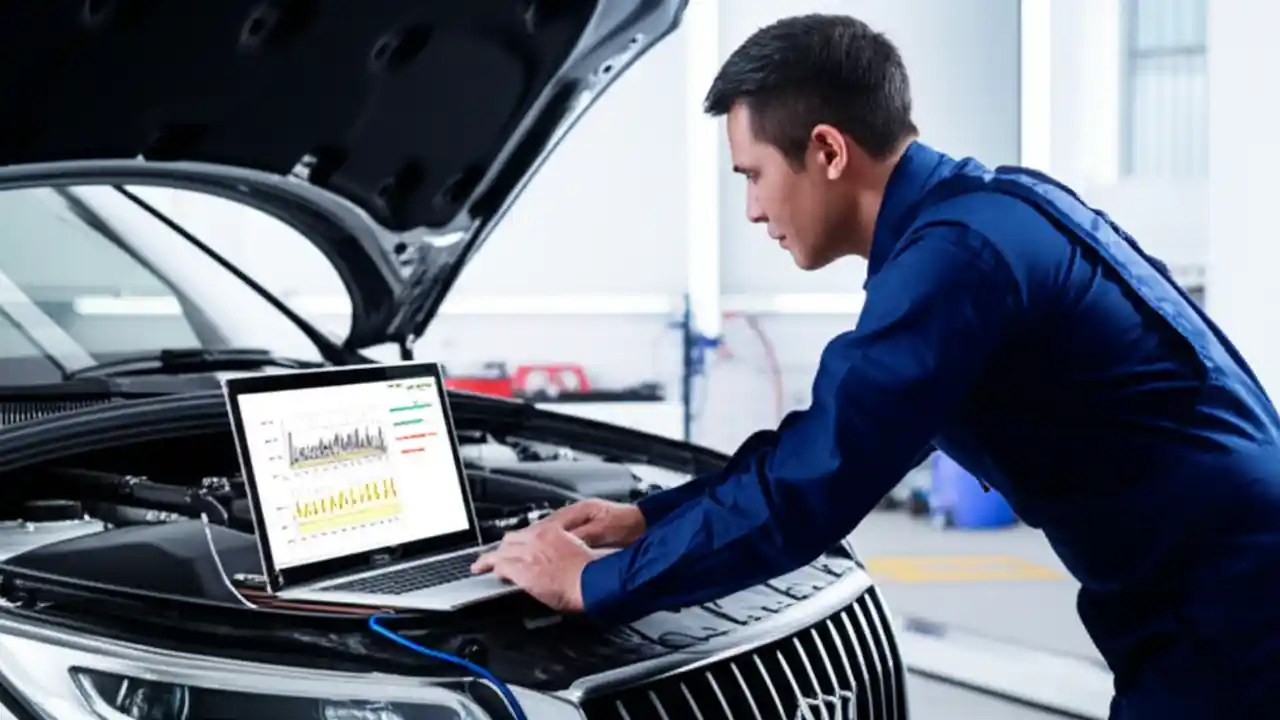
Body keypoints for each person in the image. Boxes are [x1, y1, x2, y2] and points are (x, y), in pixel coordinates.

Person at [471, 13, 1280, 718]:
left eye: (753, 175)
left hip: (1227, 605)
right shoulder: (992, 211)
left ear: (825, 150)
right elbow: (826, 439)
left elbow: (815, 484)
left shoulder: (954, 260)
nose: (752, 208)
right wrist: (648, 519)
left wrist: (594, 584)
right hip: (1215, 582)